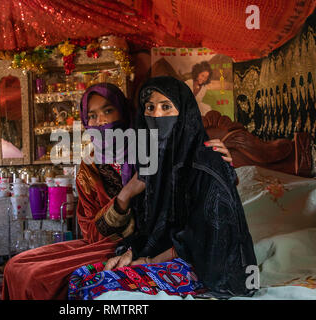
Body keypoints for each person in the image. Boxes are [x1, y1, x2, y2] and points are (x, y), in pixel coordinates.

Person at [2, 82, 233, 300]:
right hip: (104, 243)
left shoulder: (154, 150)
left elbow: (201, 198)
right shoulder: (89, 166)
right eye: (92, 115)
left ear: (123, 112)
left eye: (108, 111)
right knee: (17, 265)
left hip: (145, 243)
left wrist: (219, 161)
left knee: (39, 277)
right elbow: (91, 232)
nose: (101, 121)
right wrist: (124, 196)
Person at [68, 77, 256, 300]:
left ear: (184, 111)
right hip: (164, 255)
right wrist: (133, 253)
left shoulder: (207, 158)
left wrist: (148, 261)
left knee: (98, 289)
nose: (156, 115)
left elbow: (205, 234)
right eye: (150, 107)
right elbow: (155, 227)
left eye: (166, 106)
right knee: (81, 278)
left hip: (208, 267)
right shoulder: (155, 163)